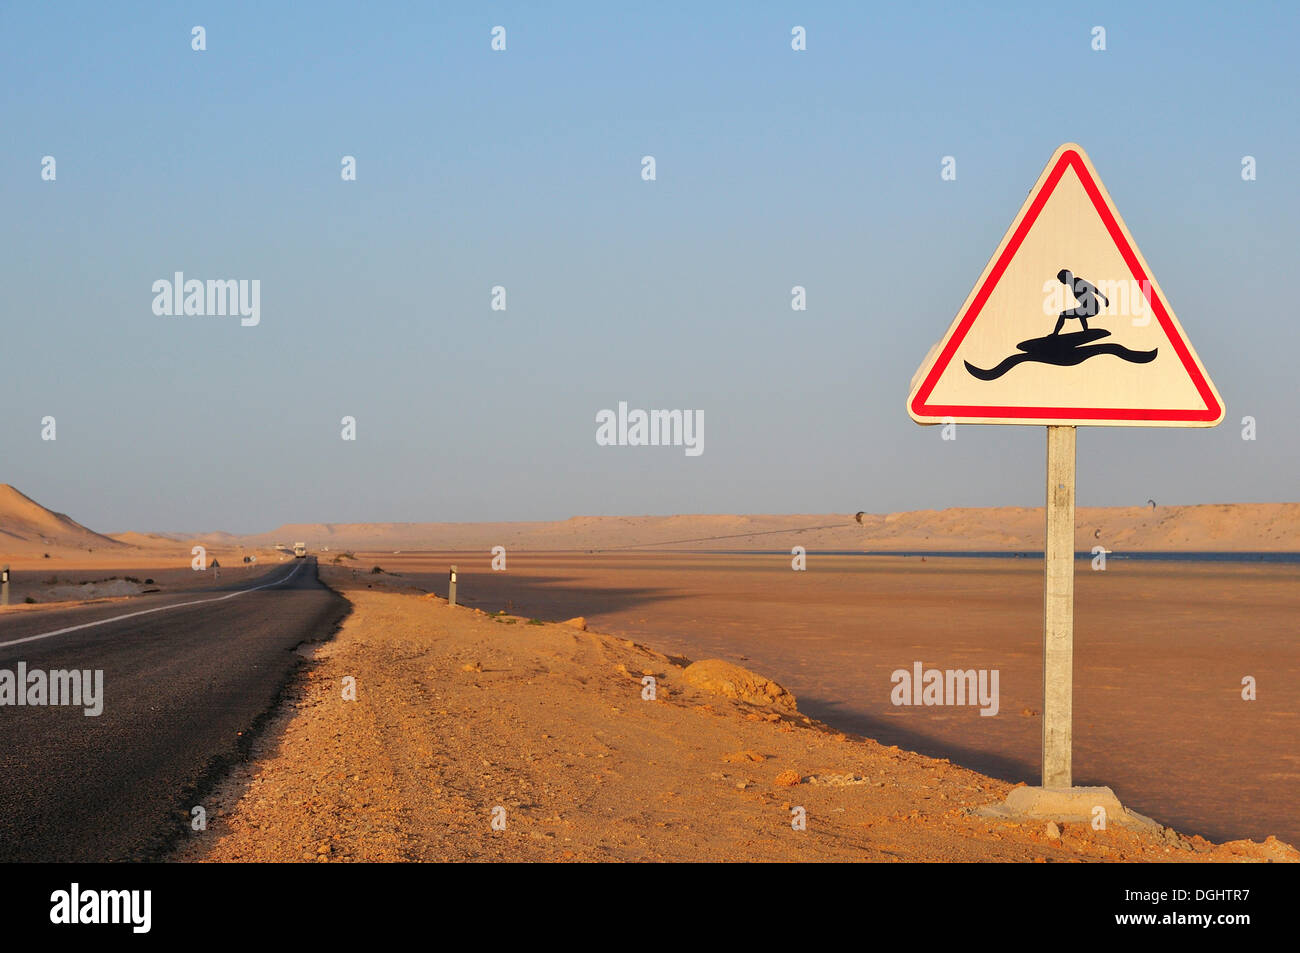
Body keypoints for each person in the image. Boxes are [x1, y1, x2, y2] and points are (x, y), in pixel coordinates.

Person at [1053, 269, 1108, 334]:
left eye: (1061, 279)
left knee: (1067, 314)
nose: (1060, 281)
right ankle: (1086, 330)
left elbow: (1092, 288)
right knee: (1078, 313)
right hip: (1086, 307)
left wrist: (1104, 298)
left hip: (1093, 307)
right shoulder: (1072, 284)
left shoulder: (1077, 281)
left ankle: (1055, 334)